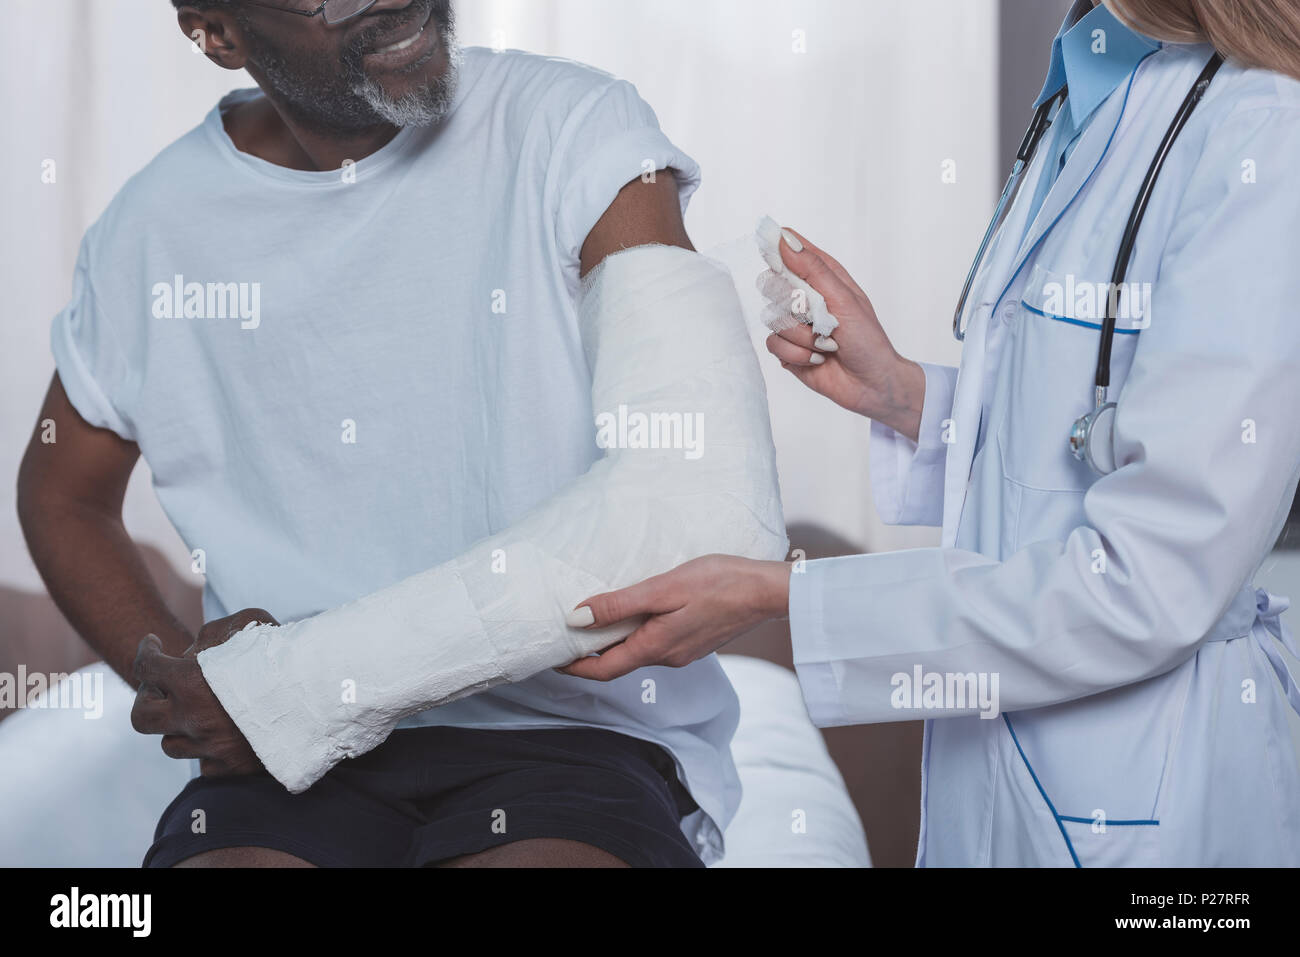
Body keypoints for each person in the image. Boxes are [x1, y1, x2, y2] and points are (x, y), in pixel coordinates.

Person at [16, 0, 780, 868]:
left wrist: (292, 684)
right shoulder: (151, 228)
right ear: (217, 32)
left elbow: (694, 505)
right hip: (288, 762)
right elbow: (60, 489)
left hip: (572, 733)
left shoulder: (577, 129)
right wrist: (178, 672)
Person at [562, 0, 1300, 866]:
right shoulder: (1096, 74)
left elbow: (1152, 580)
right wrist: (908, 396)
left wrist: (787, 599)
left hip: (1155, 802)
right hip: (1006, 761)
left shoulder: (1264, 137)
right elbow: (1079, 437)